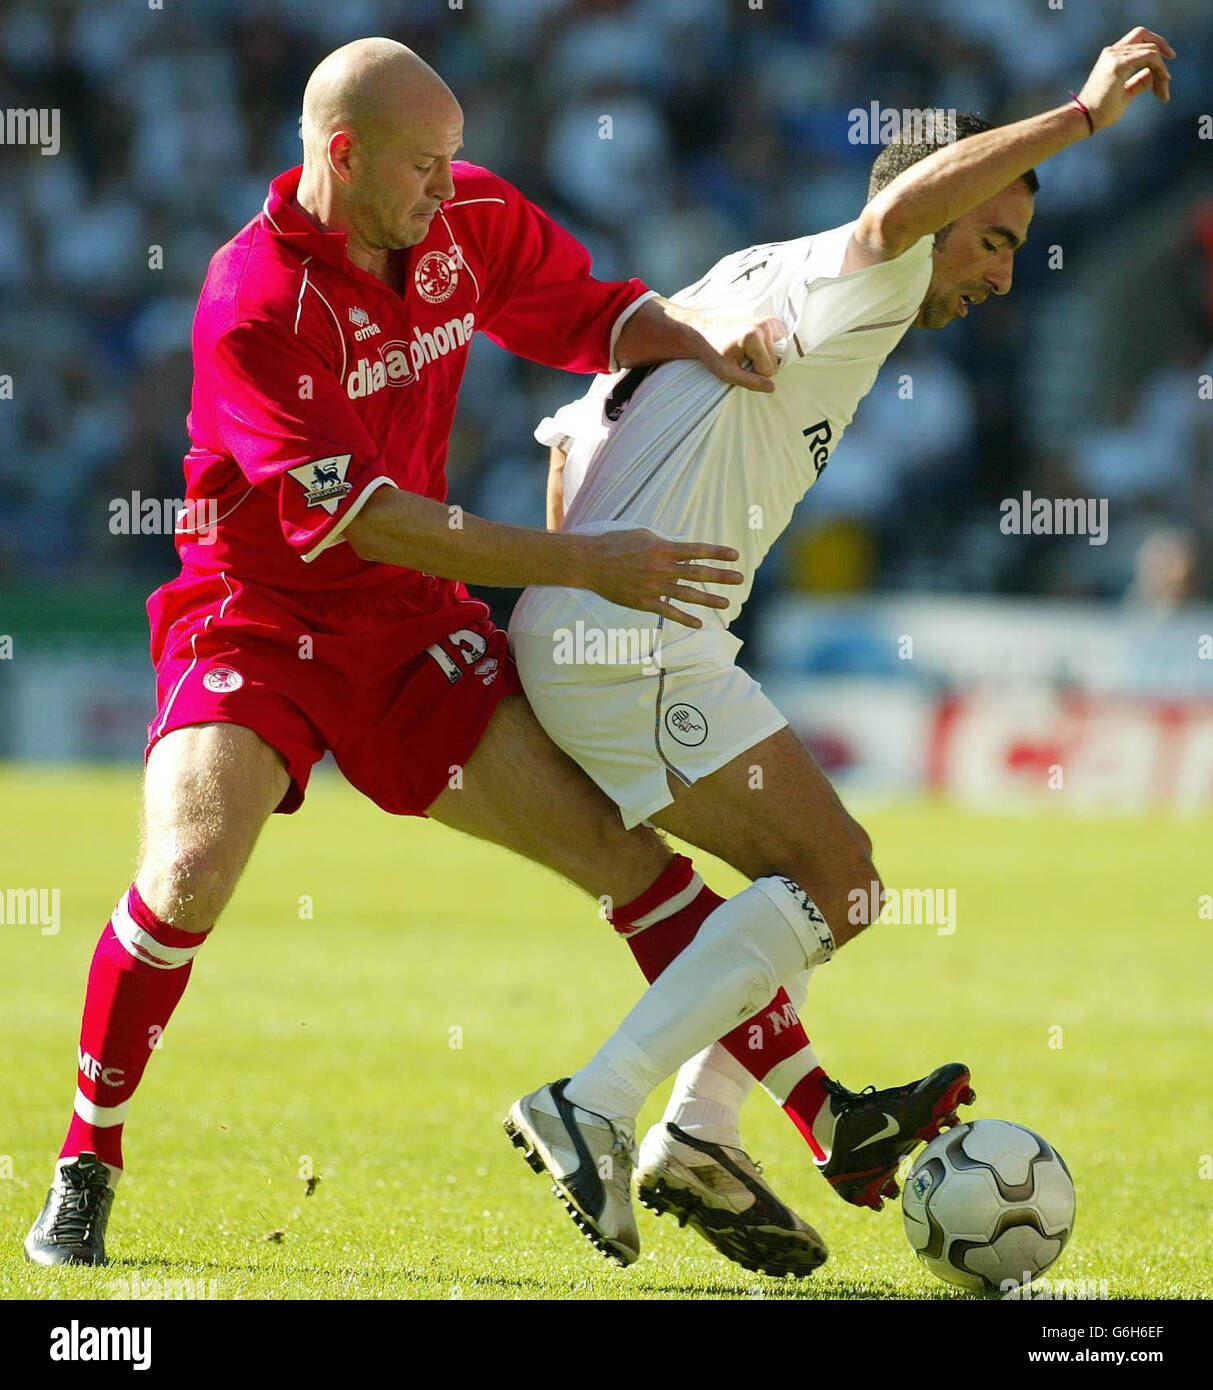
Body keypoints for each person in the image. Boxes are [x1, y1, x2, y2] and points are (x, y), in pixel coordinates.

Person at [21, 35, 796, 1269]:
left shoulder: (465, 213)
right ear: (345, 155)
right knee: (187, 875)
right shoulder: (254, 301)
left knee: (619, 854)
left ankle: (818, 1114)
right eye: (427, 164)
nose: (453, 183)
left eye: (453, 157)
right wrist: (586, 563)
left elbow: (590, 313)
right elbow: (361, 512)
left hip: (407, 626)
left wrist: (697, 337)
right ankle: (85, 1160)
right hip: (259, 615)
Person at [504, 26, 1175, 1271]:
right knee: (842, 880)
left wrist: (568, 606)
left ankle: (701, 1131)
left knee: (809, 876)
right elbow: (905, 212)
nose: (1005, 278)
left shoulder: (742, 275)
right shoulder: (857, 273)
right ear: (937, 214)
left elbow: (564, 432)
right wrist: (1080, 117)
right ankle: (594, 1103)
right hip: (639, 642)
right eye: (995, 240)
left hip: (621, 634)